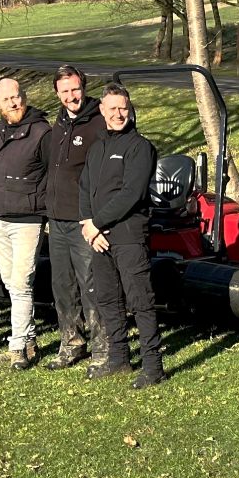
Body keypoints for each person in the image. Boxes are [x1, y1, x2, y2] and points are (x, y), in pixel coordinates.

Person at [80, 83, 163, 388]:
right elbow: (85, 188)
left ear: (130, 110)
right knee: (107, 298)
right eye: (112, 109)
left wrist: (96, 223)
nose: (118, 114)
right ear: (101, 111)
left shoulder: (139, 147)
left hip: (128, 234)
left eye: (123, 109)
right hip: (99, 237)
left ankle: (153, 367)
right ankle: (119, 359)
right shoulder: (98, 147)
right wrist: (88, 225)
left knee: (139, 300)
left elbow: (132, 193)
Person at [0, 76, 50, 370]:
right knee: (11, 283)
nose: (13, 103)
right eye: (6, 99)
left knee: (22, 283)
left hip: (27, 219)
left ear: (24, 96)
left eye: (16, 96)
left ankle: (17, 347)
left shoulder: (41, 131)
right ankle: (30, 339)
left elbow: (51, 174)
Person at [44, 64, 106, 371]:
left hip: (85, 221)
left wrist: (94, 219)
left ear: (84, 87)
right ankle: (71, 343)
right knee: (63, 286)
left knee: (91, 284)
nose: (71, 96)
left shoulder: (98, 123)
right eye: (65, 91)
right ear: (57, 93)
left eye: (75, 89)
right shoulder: (56, 125)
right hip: (56, 220)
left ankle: (103, 349)